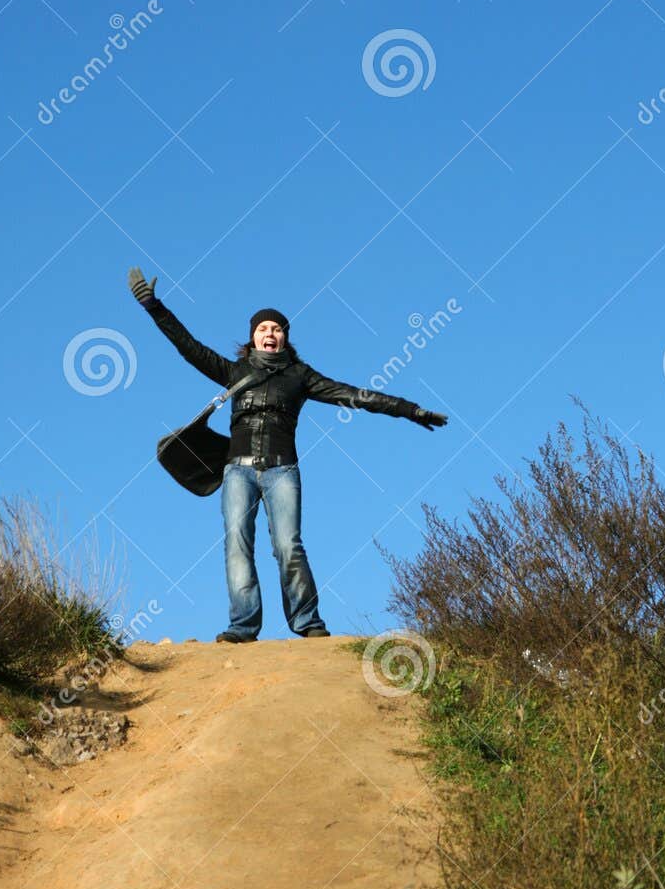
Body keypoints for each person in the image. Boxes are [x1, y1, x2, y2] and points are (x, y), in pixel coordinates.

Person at [127, 267, 447, 644]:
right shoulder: (233, 371)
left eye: (276, 329)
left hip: (283, 471)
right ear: (252, 338)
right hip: (238, 473)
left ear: (285, 338)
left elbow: (355, 395)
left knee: (287, 545)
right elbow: (187, 345)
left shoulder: (300, 376)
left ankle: (308, 622)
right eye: (263, 328)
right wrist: (153, 306)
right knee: (237, 544)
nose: (270, 333)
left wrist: (409, 409)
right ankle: (243, 627)